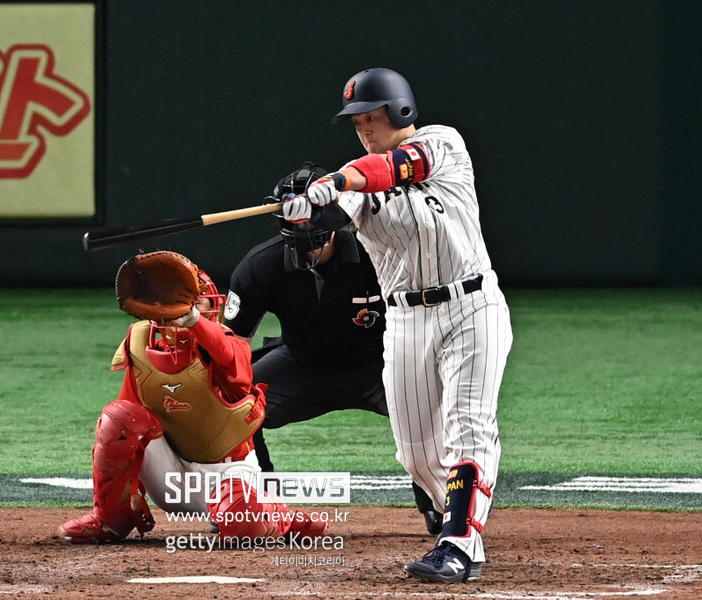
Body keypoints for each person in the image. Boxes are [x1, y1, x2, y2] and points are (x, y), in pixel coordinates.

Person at [283, 68, 513, 583]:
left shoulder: (443, 143)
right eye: (357, 122)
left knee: (468, 427)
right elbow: (330, 220)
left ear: (400, 110)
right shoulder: (351, 178)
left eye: (372, 116)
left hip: (472, 306)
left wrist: (334, 183)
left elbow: (395, 168)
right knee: (417, 455)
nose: (364, 128)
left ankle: (457, 543)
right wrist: (303, 213)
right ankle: (462, 519)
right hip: (406, 320)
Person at [224, 162, 443, 536]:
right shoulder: (260, 266)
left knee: (430, 405)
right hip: (302, 366)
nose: (305, 233)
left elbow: (423, 317)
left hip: (379, 364)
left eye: (312, 223)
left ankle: (437, 504)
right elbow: (231, 345)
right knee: (232, 407)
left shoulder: (379, 255)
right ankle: (258, 504)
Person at [58, 252, 328, 545]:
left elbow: (230, 356)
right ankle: (112, 520)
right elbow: (128, 424)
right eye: (184, 302)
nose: (189, 309)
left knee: (242, 522)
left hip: (227, 474)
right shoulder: (138, 343)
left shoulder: (228, 345)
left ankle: (281, 517)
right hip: (168, 474)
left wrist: (195, 322)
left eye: (199, 303)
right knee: (119, 419)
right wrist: (132, 491)